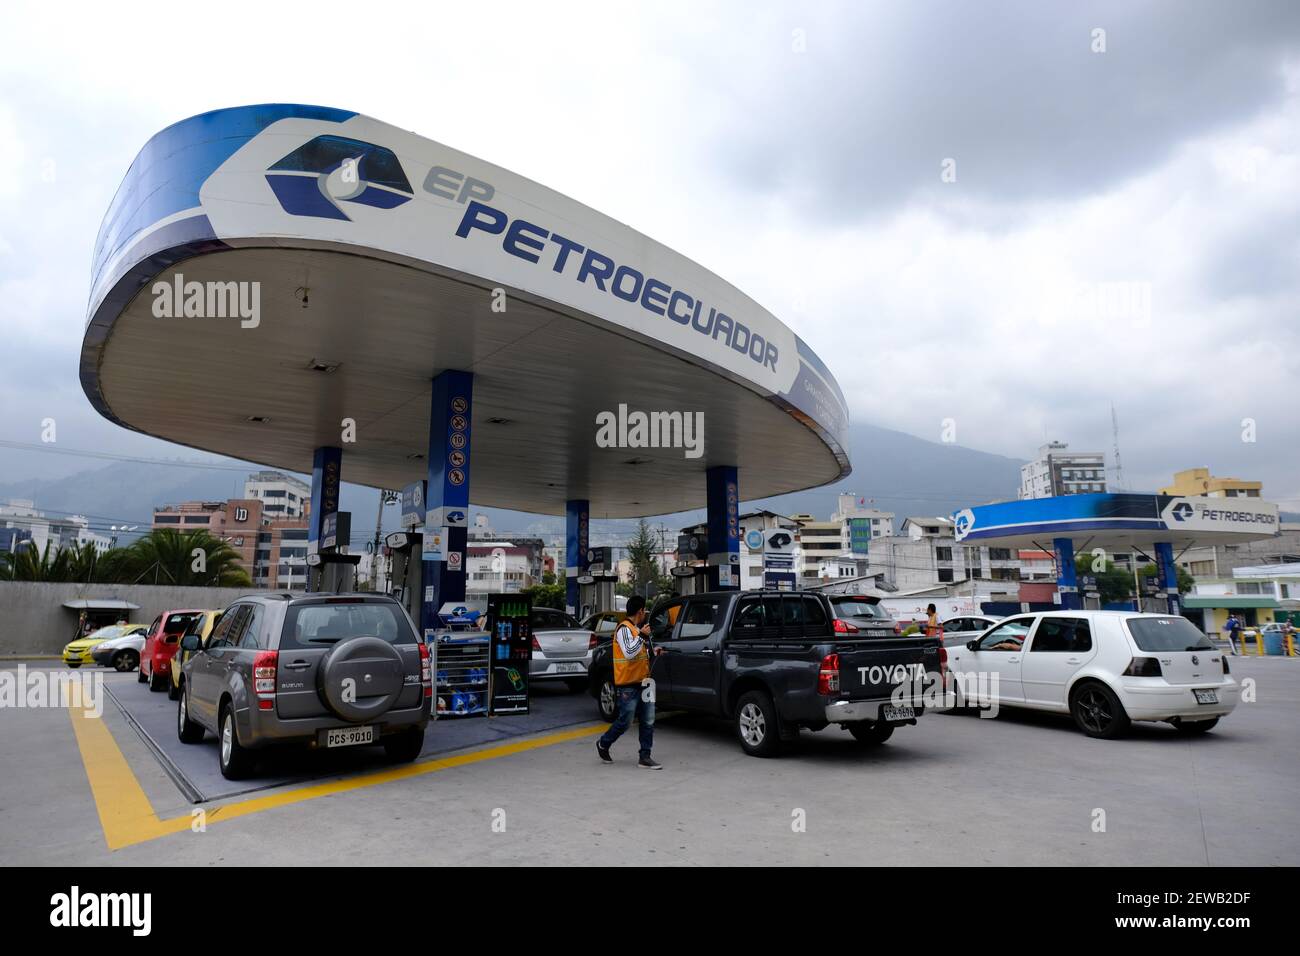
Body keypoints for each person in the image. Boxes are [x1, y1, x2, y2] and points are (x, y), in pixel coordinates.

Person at [596, 595, 664, 769]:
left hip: (645, 681)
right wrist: (642, 635)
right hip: (628, 683)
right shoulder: (624, 629)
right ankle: (604, 743)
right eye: (644, 610)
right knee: (625, 720)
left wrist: (653, 652)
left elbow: (641, 653)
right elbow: (629, 653)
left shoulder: (636, 629)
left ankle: (645, 756)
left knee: (648, 719)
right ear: (640, 611)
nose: (645, 614)